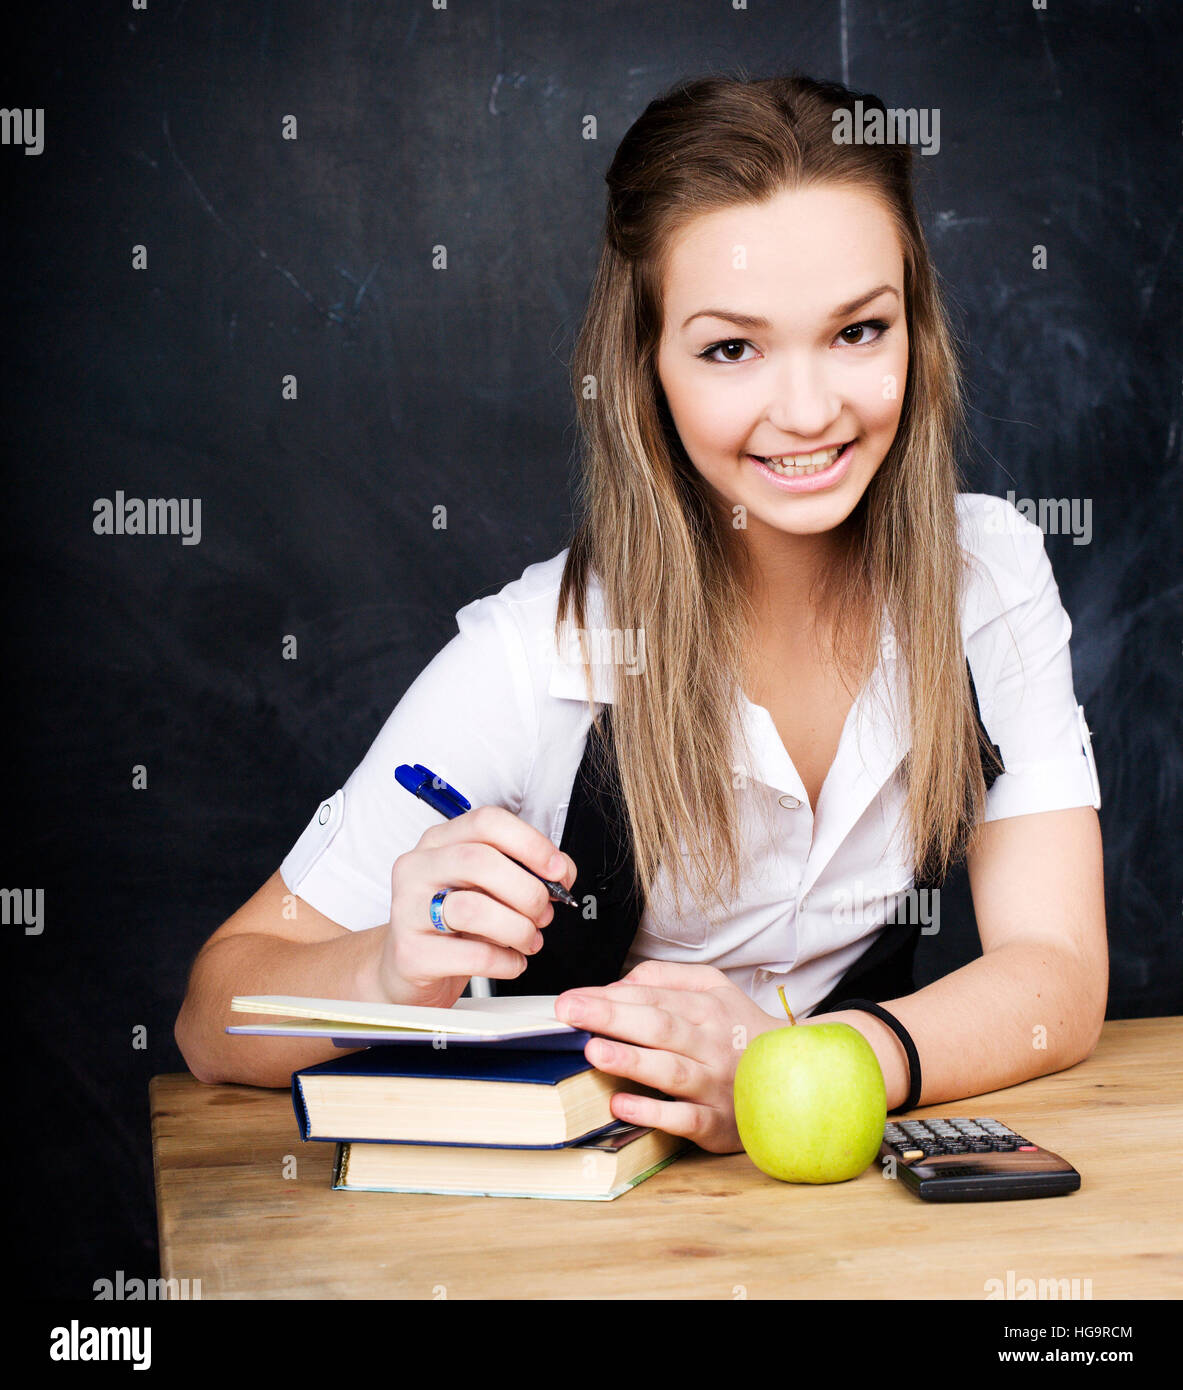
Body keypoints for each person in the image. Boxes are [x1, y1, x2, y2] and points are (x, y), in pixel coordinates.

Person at [175, 73, 1107, 1155]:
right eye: (729, 349)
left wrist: (807, 1064)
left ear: (917, 328)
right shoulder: (535, 657)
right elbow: (213, 1014)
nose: (808, 411)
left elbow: (1057, 971)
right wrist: (390, 962)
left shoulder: (984, 573)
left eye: (857, 331)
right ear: (645, 371)